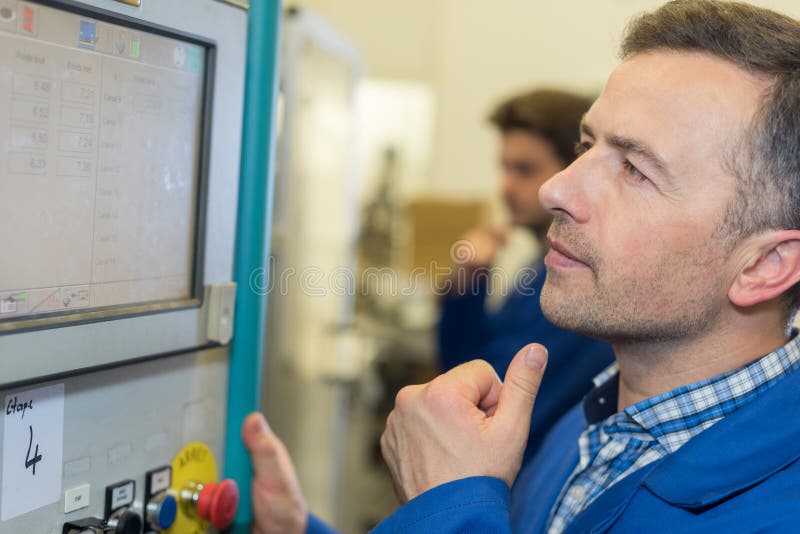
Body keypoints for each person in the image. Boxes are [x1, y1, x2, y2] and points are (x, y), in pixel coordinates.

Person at [243, 1, 800, 532]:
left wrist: (451, 503)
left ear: (766, 264)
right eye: (586, 146)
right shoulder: (600, 418)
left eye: (634, 168)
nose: (555, 188)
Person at [438, 89, 614, 459]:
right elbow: (463, 367)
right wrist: (467, 283)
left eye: (525, 170)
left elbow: (482, 405)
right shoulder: (539, 268)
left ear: (572, 170)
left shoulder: (582, 282)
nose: (505, 186)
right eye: (504, 168)